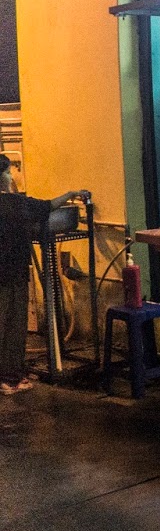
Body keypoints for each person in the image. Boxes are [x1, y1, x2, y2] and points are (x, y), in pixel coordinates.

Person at [0, 155, 87, 395]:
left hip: (9, 272)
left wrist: (69, 193)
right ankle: (10, 377)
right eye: (10, 171)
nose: (13, 176)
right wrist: (70, 194)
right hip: (13, 272)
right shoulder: (17, 203)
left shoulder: (16, 202)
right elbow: (49, 206)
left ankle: (8, 376)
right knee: (13, 326)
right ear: (4, 176)